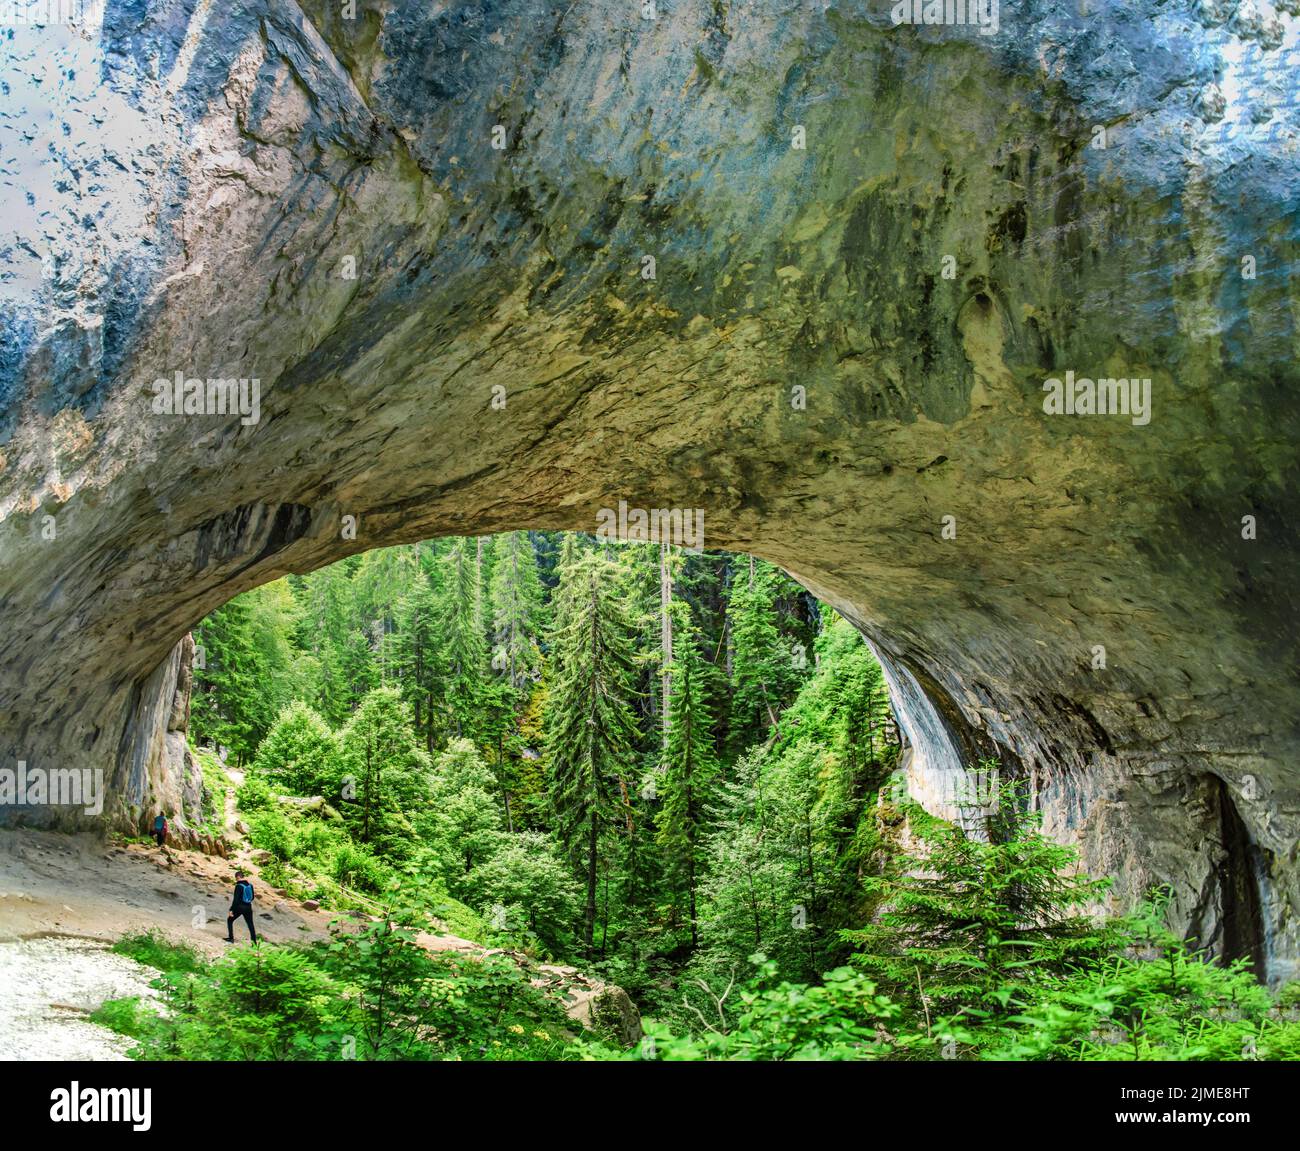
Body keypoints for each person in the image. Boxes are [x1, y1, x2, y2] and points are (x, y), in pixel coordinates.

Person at [226, 870, 257, 944]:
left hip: (240, 907)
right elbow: (252, 897)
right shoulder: (250, 885)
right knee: (250, 924)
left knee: (230, 920)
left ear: (238, 877)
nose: (236, 880)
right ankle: (254, 943)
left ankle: (231, 938)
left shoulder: (238, 886)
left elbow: (236, 900)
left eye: (236, 878)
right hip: (248, 907)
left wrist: (231, 910)